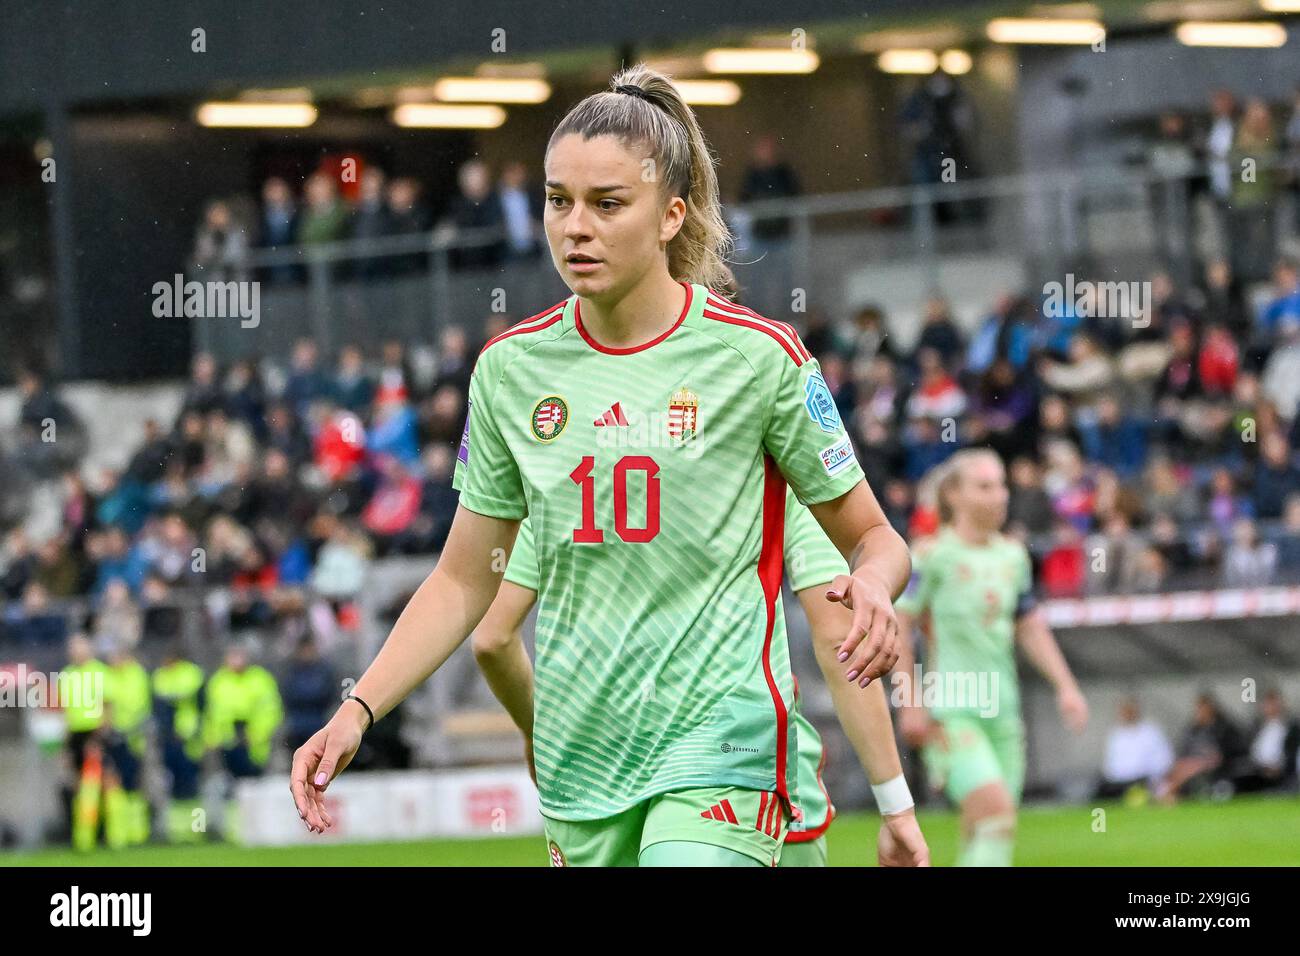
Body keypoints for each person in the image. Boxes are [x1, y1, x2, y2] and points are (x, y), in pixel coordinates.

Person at [291, 64, 912, 867]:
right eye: (558, 201)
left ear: (670, 215)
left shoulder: (756, 358)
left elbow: (875, 536)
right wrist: (358, 710)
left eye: (607, 204)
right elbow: (461, 581)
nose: (574, 227)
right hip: (584, 761)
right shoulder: (510, 373)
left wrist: (872, 586)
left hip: (718, 746)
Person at [472, 489, 929, 866]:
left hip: (595, 773)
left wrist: (537, 732)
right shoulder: (768, 459)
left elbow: (492, 640)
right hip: (739, 763)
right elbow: (837, 636)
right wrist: (894, 804)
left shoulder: (566, 478)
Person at [893, 448, 1089, 866]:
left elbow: (1029, 625)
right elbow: (900, 626)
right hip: (952, 710)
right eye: (985, 486)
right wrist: (909, 700)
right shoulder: (930, 557)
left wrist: (1066, 686)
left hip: (1004, 713)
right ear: (954, 495)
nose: (1000, 495)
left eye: (1001, 485)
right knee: (996, 816)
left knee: (983, 829)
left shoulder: (1013, 557)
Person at [152, 642, 206, 843]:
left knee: (190, 784)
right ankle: (178, 832)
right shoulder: (161, 676)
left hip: (188, 738)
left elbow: (201, 707)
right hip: (169, 738)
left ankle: (195, 829)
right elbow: (159, 709)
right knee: (174, 785)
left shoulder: (191, 675)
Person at [1095, 697, 1173, 800]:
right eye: (1124, 711)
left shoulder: (1150, 732)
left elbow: (1163, 759)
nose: (1127, 714)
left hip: (1144, 780)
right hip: (1119, 782)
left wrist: (1154, 776)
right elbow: (1110, 764)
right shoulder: (1116, 735)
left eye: (1130, 710)